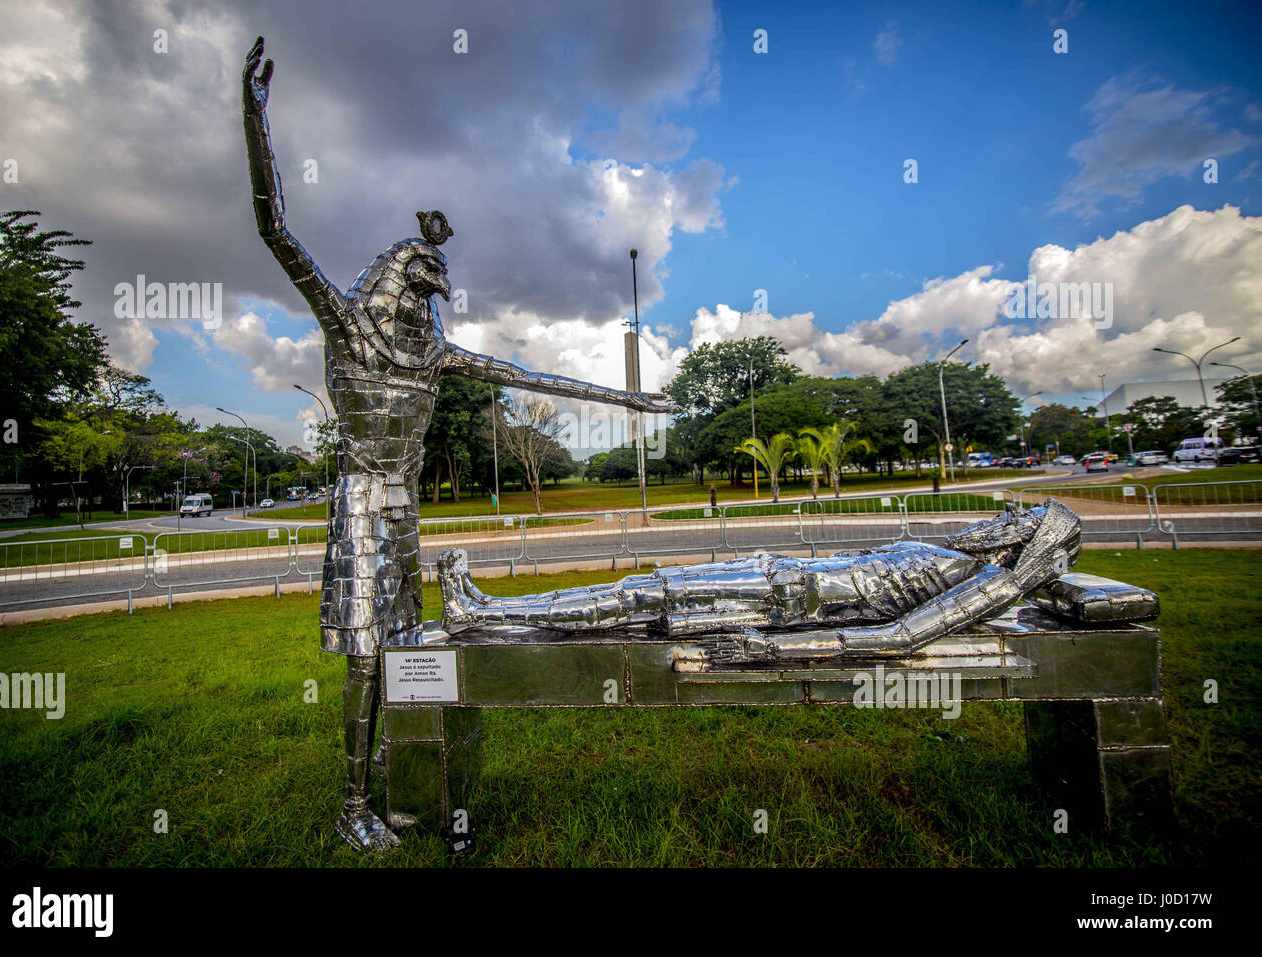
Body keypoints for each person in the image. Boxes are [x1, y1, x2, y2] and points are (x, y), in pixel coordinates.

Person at [242, 37, 675, 850]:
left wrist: (627, 397)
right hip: (362, 500)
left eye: (433, 288)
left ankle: (413, 781)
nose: (426, 300)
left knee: (412, 647)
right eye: (418, 278)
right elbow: (276, 230)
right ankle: (350, 802)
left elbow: (538, 376)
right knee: (367, 657)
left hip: (404, 513)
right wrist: (256, 117)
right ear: (395, 278)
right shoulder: (346, 325)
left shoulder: (434, 352)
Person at [438, 499, 1082, 658]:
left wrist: (773, 648)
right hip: (773, 575)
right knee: (643, 589)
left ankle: (485, 615)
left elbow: (894, 640)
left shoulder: (991, 585)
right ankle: (486, 612)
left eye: (1021, 518)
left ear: (1032, 542)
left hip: (782, 603)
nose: (1005, 516)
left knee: (638, 599)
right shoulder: (958, 556)